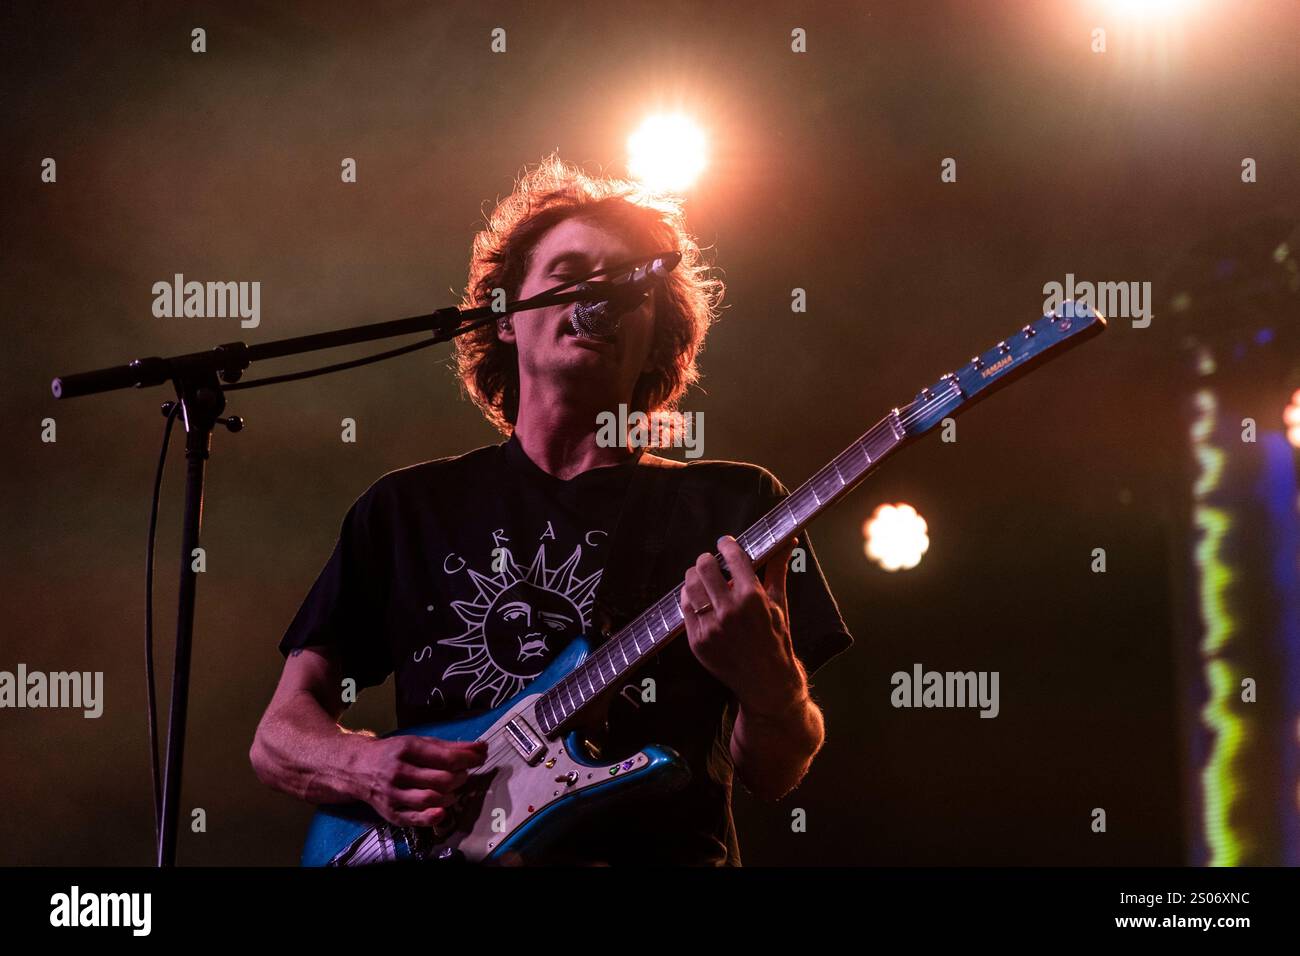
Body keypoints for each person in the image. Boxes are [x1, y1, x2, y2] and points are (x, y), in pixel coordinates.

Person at [250, 154, 853, 865]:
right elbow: (278, 736)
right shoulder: (406, 510)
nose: (599, 300)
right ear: (505, 318)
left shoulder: (734, 507)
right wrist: (367, 769)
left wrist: (768, 681)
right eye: (569, 279)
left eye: (629, 289)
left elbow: (773, 771)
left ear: (653, 337)